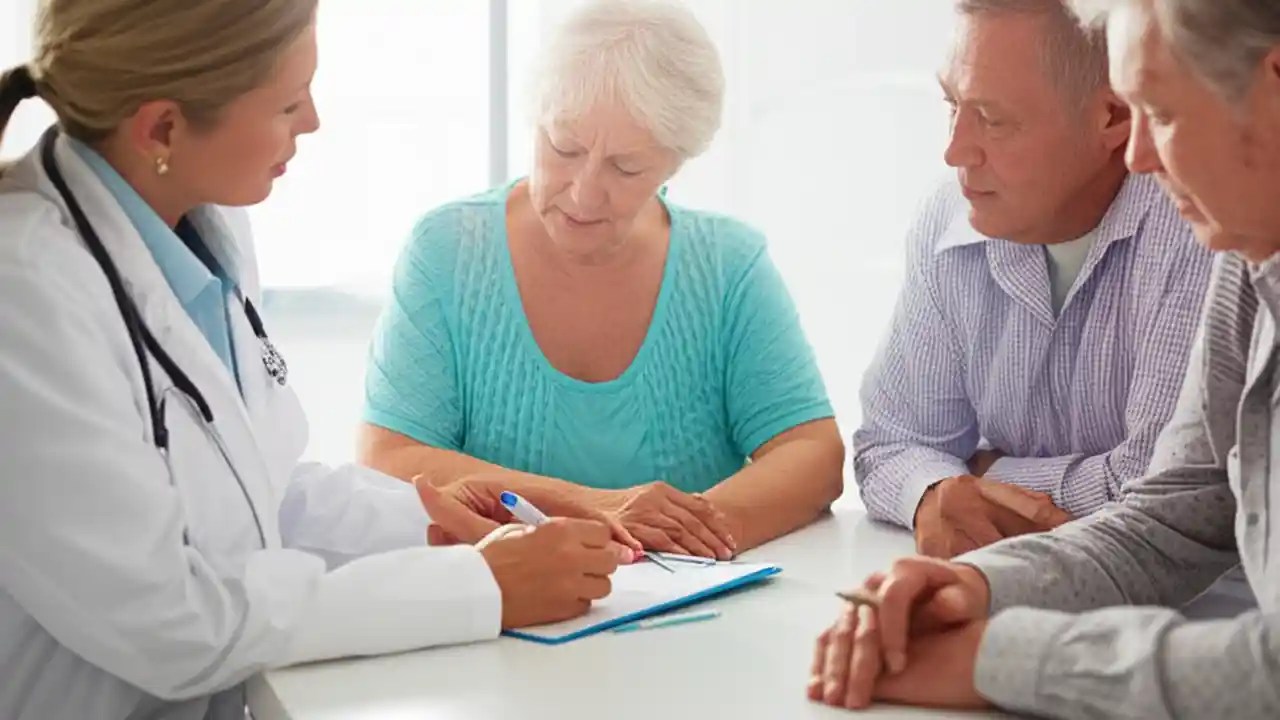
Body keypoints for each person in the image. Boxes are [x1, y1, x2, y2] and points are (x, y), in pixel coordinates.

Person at [0, 2, 640, 719]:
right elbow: (167, 621)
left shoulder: (199, 223)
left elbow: (249, 489)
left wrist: (424, 521)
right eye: (287, 103)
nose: (312, 122)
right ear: (163, 127)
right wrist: (479, 587)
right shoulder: (22, 289)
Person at [810, 0, 1280, 717]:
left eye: (1162, 112)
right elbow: (1170, 518)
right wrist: (980, 587)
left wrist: (1002, 658)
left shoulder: (1202, 230)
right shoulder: (1248, 258)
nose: (1139, 160)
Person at [358, 0, 844, 558]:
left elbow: (812, 452)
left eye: (626, 167)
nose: (584, 193)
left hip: (690, 614)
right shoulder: (445, 251)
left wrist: (684, 534)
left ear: (674, 164)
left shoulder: (729, 265)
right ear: (534, 120)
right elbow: (388, 457)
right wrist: (597, 507)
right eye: (564, 148)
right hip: (498, 613)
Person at [854, 0, 1212, 558]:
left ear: (1114, 117)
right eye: (952, 104)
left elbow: (1157, 492)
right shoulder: (949, 218)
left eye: (993, 120)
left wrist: (988, 473)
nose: (954, 151)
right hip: (1013, 589)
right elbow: (893, 441)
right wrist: (934, 491)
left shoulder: (1202, 228)